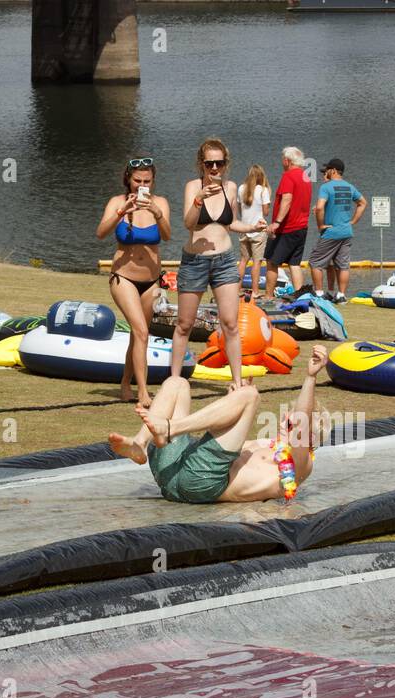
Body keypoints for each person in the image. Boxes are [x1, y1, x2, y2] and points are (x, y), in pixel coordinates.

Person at [110, 345, 328, 504]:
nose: (285, 421)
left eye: (291, 422)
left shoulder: (300, 464)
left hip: (200, 484)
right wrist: (232, 402)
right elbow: (220, 447)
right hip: (170, 470)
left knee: (251, 395)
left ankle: (170, 428)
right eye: (285, 417)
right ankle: (139, 443)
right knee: (177, 383)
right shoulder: (263, 444)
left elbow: (301, 422)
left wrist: (310, 377)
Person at [173, 139, 267, 390]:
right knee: (184, 324)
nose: (214, 168)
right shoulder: (193, 186)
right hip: (195, 261)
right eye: (209, 163)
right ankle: (174, 381)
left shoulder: (231, 187)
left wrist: (251, 227)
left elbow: (230, 223)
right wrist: (198, 200)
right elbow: (188, 224)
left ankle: (236, 382)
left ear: (226, 164)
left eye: (219, 163)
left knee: (230, 323)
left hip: (225, 261)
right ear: (201, 164)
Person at [96, 156, 171, 406]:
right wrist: (121, 212)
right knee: (141, 331)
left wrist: (158, 214)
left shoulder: (159, 203)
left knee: (138, 336)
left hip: (151, 280)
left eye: (146, 181)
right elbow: (100, 233)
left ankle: (126, 383)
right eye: (137, 181)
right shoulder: (118, 202)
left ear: (153, 181)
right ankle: (143, 392)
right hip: (123, 276)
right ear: (128, 179)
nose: (141, 186)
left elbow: (168, 235)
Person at [308, 158, 366, 303]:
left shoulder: (326, 187)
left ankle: (320, 294)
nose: (325, 173)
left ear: (333, 170)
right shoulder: (349, 187)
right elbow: (362, 203)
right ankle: (341, 296)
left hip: (331, 233)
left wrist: (320, 225)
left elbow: (320, 207)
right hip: (346, 232)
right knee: (343, 265)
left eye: (326, 170)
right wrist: (353, 221)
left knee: (315, 262)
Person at [264, 146, 313, 301]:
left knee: (272, 261)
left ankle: (268, 296)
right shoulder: (306, 177)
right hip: (302, 227)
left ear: (287, 160)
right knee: (294, 263)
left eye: (282, 159)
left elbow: (287, 199)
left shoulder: (288, 176)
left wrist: (277, 222)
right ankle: (300, 296)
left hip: (287, 228)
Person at [236, 164, 271, 297]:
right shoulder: (263, 190)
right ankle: (255, 291)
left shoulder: (241, 188)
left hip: (244, 228)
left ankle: (238, 289)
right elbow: (266, 213)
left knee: (243, 260)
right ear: (261, 176)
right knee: (257, 262)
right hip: (259, 230)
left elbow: (239, 210)